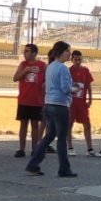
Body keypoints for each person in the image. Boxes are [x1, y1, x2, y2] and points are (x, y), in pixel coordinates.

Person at [25, 41, 78, 178]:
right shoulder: (63, 68)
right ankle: (64, 169)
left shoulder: (50, 67)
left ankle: (33, 164)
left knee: (49, 136)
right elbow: (66, 88)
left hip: (48, 104)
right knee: (61, 138)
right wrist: (75, 89)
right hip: (60, 105)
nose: (69, 54)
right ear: (61, 52)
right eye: (68, 51)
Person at [12, 44, 46, 159]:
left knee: (35, 125)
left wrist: (44, 85)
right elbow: (15, 78)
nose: (25, 53)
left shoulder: (42, 66)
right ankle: (21, 149)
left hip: (37, 100)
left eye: (27, 51)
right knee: (23, 125)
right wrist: (26, 71)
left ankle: (34, 149)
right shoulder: (23, 65)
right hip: (24, 100)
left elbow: (47, 80)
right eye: (25, 51)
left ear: (34, 53)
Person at [68, 50, 96, 156]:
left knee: (87, 124)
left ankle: (90, 148)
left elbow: (88, 85)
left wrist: (90, 99)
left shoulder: (85, 70)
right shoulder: (68, 71)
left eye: (79, 59)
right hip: (71, 102)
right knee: (69, 124)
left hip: (82, 102)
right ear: (72, 60)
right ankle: (70, 147)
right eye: (75, 59)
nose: (78, 61)